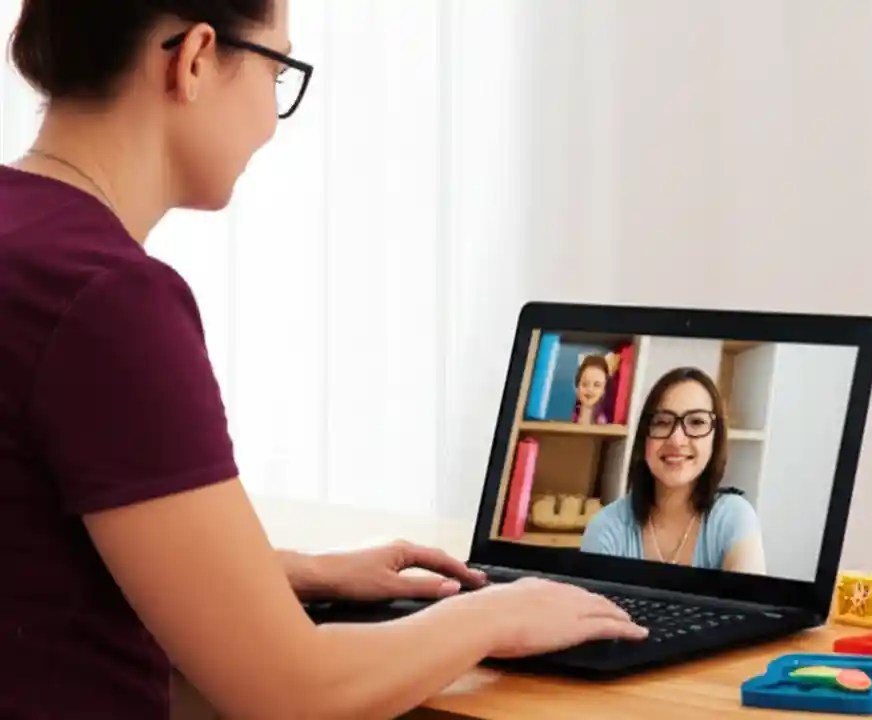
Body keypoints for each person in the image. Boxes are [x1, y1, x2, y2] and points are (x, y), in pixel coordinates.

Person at [0, 2, 645, 718]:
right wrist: (500, 614)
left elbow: (35, 555)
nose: (272, 124)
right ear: (196, 60)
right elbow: (296, 691)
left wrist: (297, 574)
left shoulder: (22, 243)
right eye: (279, 70)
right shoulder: (108, 299)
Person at [581, 367, 767, 574]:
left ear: (716, 438)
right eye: (662, 422)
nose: (676, 440)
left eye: (696, 422)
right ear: (645, 438)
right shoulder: (607, 527)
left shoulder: (733, 516)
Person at [571, 354, 612, 424]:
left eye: (597, 385)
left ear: (604, 390)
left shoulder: (605, 423)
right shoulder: (569, 417)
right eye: (585, 384)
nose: (590, 389)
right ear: (577, 386)